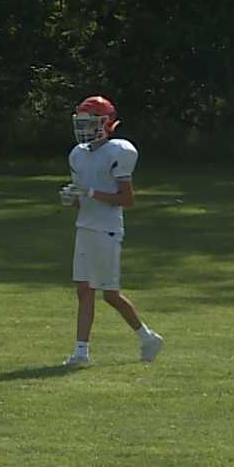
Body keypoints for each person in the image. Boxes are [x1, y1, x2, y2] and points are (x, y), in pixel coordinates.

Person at [59, 95, 163, 367]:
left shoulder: (119, 151)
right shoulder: (78, 155)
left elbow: (127, 199)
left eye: (89, 122)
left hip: (107, 230)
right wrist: (73, 199)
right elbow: (81, 202)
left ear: (105, 123)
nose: (84, 128)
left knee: (110, 294)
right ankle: (81, 351)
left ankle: (148, 337)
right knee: (84, 290)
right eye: (81, 122)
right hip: (85, 226)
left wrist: (90, 192)